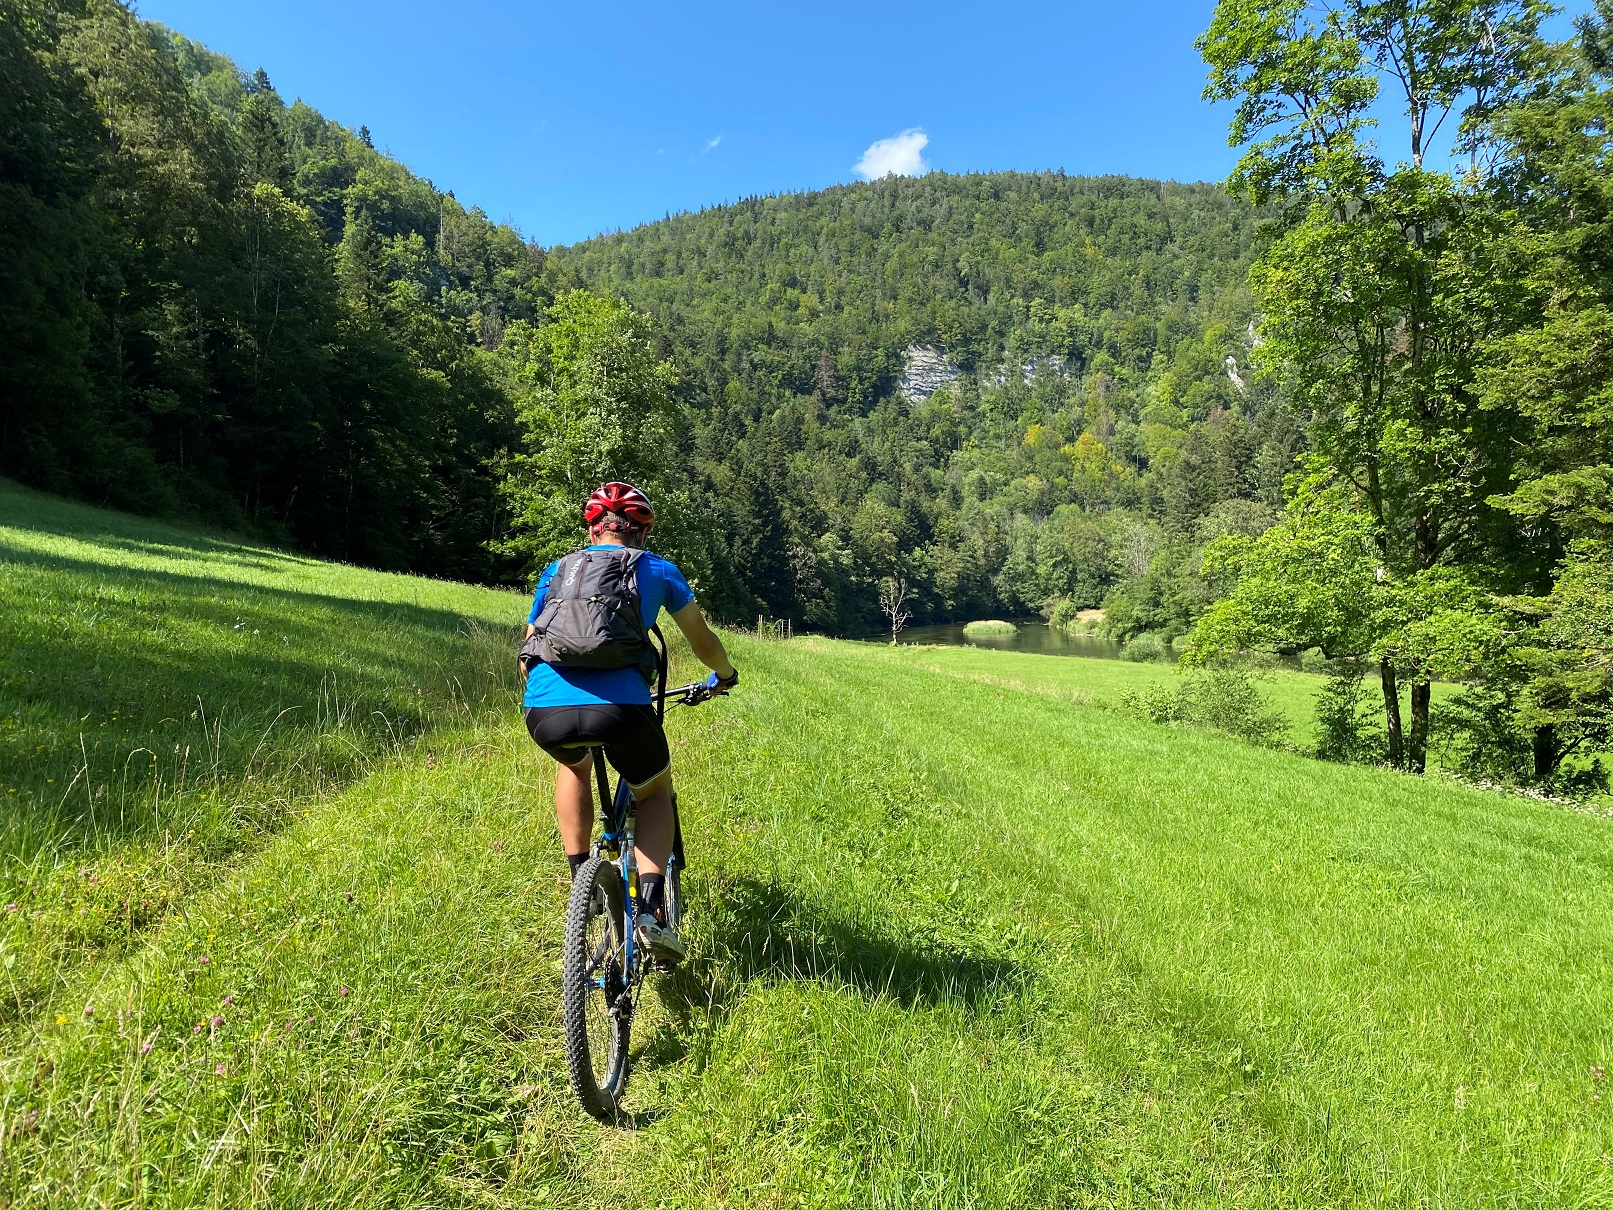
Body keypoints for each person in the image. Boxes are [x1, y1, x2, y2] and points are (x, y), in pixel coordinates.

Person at [520, 482, 737, 963]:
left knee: (573, 766)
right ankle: (653, 913)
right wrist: (724, 675)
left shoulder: (558, 570)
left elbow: (531, 641)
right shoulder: (657, 569)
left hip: (544, 710)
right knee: (654, 791)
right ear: (639, 531)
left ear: (593, 528)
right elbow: (701, 640)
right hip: (622, 710)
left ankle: (584, 882)